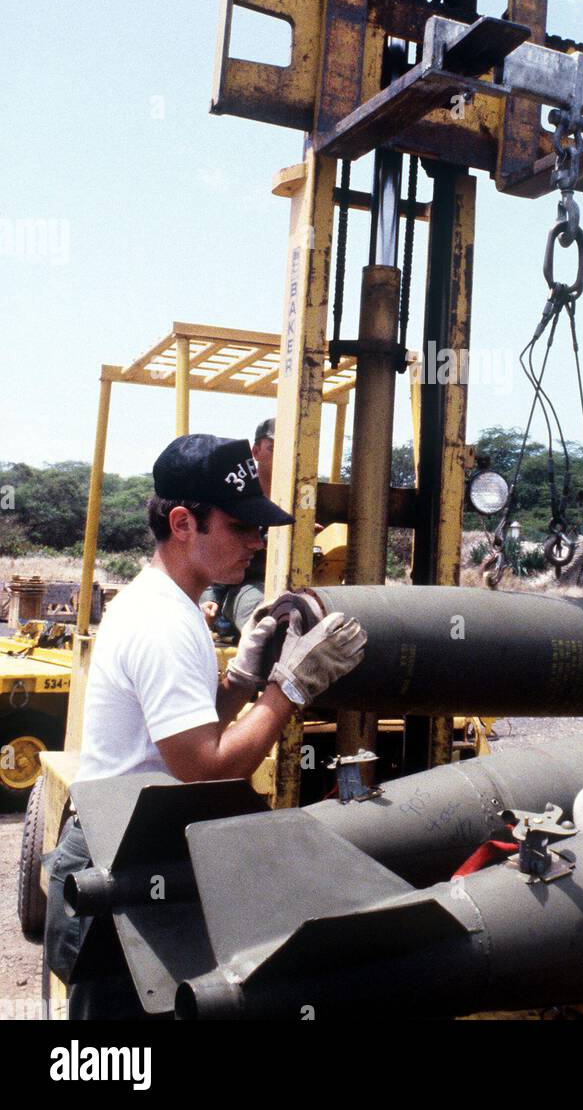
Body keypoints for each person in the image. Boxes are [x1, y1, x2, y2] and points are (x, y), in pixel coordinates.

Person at [44, 432, 365, 1016]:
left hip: (135, 850)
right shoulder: (162, 622)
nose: (256, 542)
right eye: (241, 527)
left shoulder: (175, 605)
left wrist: (240, 682)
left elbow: (183, 734)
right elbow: (204, 768)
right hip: (116, 865)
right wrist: (289, 689)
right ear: (184, 523)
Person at [200, 417, 276, 638]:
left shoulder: (306, 500)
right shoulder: (236, 497)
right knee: (267, 614)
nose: (283, 456)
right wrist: (209, 600)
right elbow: (211, 553)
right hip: (242, 586)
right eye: (273, 449)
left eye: (291, 449)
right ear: (256, 452)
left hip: (296, 584)